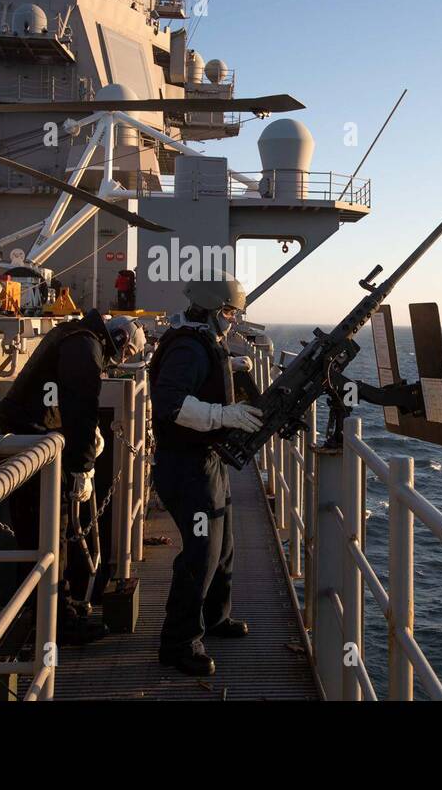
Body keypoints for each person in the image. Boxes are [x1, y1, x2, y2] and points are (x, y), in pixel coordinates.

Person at [0, 309, 146, 645]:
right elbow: (81, 406)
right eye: (126, 355)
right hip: (35, 443)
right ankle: (57, 623)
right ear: (121, 341)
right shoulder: (86, 348)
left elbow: (66, 397)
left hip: (32, 436)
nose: (120, 362)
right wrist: (83, 468)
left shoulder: (75, 335)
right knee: (51, 533)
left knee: (41, 536)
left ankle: (47, 614)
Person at [148, 278, 262, 675]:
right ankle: (179, 643)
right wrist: (223, 415)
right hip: (186, 467)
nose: (232, 321)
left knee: (223, 545)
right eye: (229, 313)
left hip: (204, 462)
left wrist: (226, 368)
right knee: (201, 555)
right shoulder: (187, 348)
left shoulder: (197, 343)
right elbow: (169, 402)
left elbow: (199, 376)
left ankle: (215, 617)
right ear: (212, 311)